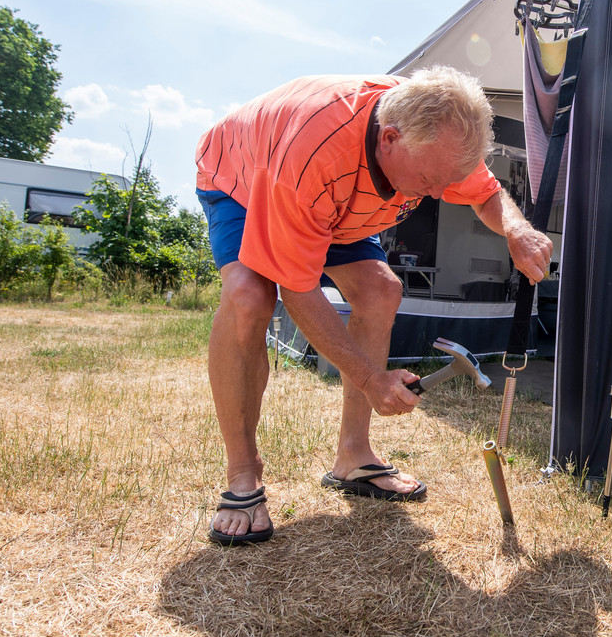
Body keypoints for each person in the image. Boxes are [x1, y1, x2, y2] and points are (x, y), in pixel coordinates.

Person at [196, 67, 553, 544]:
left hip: (344, 197)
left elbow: (486, 195)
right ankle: (243, 472)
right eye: (429, 181)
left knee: (381, 289)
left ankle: (353, 456)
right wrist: (370, 378)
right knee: (250, 297)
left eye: (445, 183)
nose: (433, 195)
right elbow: (298, 290)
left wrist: (516, 229)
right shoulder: (311, 156)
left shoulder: (441, 137)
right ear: (389, 139)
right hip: (246, 181)